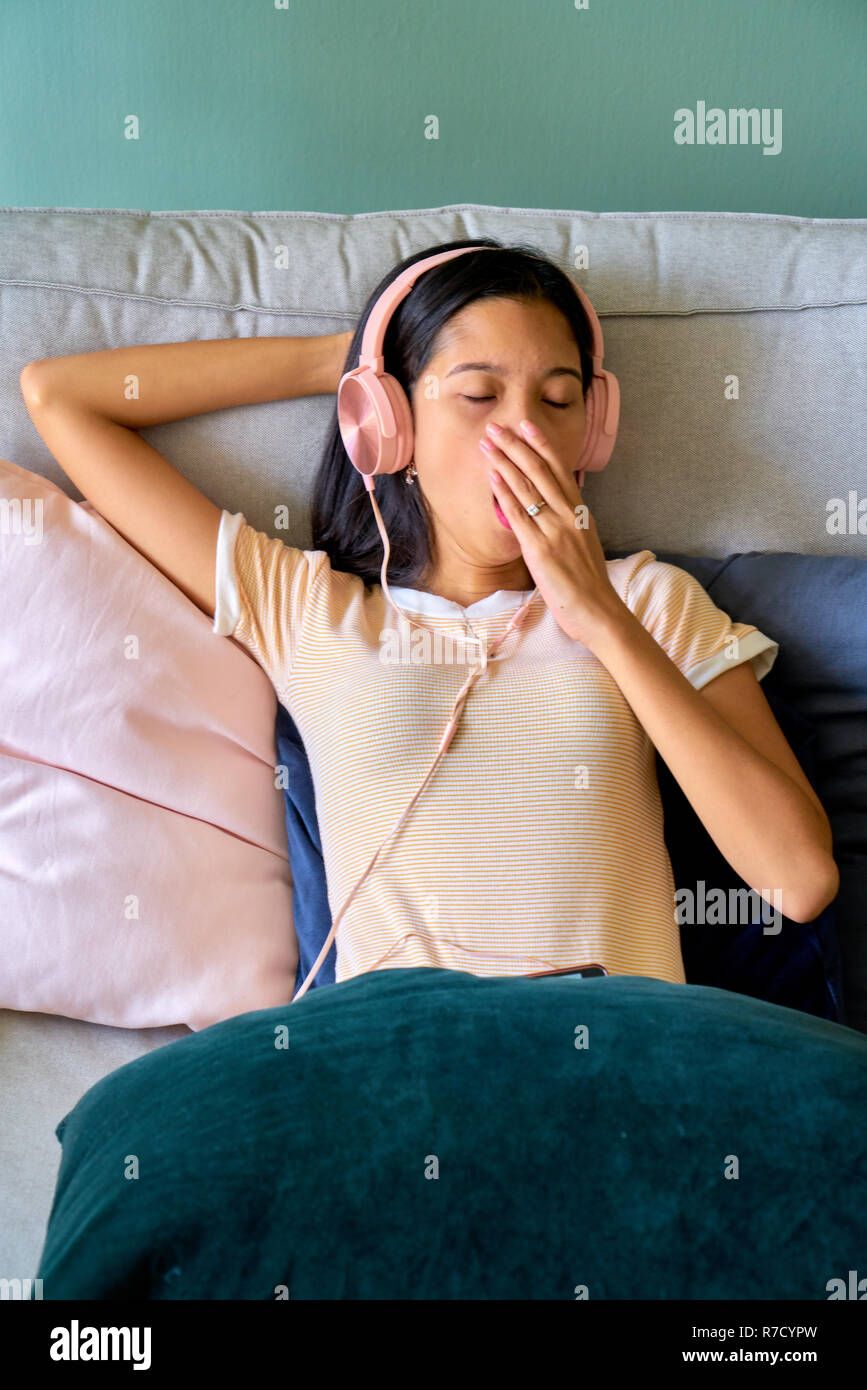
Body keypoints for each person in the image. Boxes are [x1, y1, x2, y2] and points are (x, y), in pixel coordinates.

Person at [19, 237, 839, 990]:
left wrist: (599, 618)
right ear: (393, 424)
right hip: (398, 1069)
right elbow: (61, 398)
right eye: (478, 393)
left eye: (558, 401)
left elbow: (796, 881)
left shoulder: (648, 602)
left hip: (609, 1076)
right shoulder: (307, 612)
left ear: (591, 434)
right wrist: (345, 369)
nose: (524, 432)